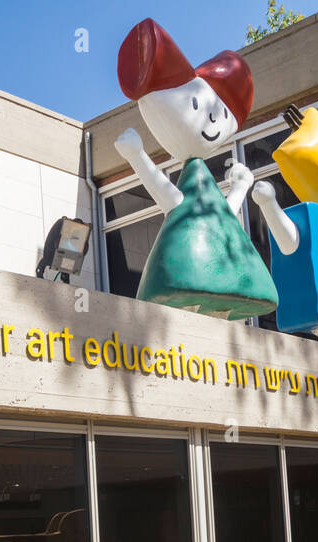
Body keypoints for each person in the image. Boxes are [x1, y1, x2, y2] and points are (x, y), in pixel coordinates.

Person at [113, 18, 278, 320]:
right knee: (192, 310)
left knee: (218, 313)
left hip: (222, 271)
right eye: (199, 109)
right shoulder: (191, 185)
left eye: (218, 114)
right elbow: (172, 201)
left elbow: (223, 213)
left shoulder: (200, 186)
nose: (212, 123)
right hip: (190, 269)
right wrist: (137, 157)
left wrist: (239, 188)